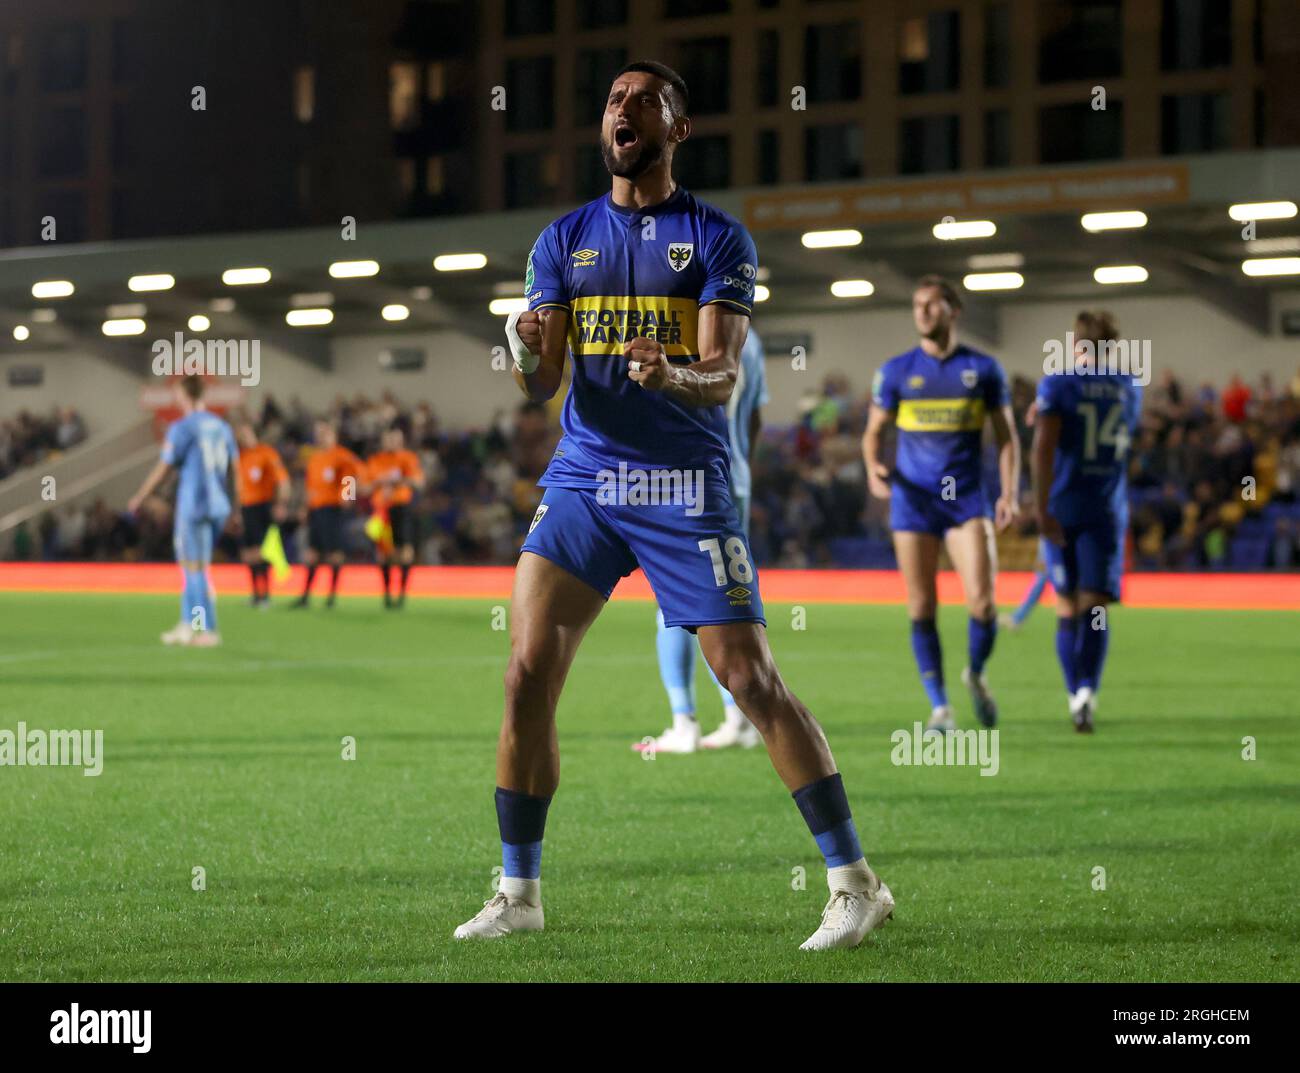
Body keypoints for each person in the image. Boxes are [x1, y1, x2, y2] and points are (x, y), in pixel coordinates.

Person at [453, 61, 893, 951]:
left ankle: (857, 883)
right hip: (584, 477)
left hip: (682, 484)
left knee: (750, 679)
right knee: (526, 670)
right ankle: (518, 889)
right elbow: (542, 385)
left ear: (675, 130)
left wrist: (675, 371)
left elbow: (724, 375)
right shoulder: (561, 239)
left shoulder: (717, 239)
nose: (622, 112)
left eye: (643, 102)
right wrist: (518, 345)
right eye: (613, 99)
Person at [862, 277, 1020, 734]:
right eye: (917, 305)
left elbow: (1008, 439)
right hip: (913, 504)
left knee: (984, 603)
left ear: (954, 311)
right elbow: (873, 433)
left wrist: (1009, 493)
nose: (923, 313)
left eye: (933, 305)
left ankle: (975, 672)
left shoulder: (984, 369)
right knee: (921, 604)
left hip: (967, 500)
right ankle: (940, 709)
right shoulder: (895, 372)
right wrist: (873, 466)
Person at [638, 325, 768, 752]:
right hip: (735, 476)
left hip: (690, 478)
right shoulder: (751, 341)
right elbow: (754, 415)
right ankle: (739, 717)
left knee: (671, 602)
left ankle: (684, 722)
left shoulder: (678, 331)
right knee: (729, 601)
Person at [1032, 310, 1142, 732]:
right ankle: (1087, 694)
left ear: (1075, 345)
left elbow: (1044, 447)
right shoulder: (1129, 387)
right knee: (1095, 608)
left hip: (1063, 506)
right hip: (1107, 509)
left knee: (1065, 605)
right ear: (1111, 346)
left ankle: (1073, 690)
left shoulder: (1058, 385)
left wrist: (1040, 508)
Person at [127, 375, 239, 647]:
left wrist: (142, 495)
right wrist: (235, 506)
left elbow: (164, 468)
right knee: (193, 567)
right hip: (218, 504)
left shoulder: (182, 427)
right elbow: (234, 469)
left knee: (195, 568)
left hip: (194, 504)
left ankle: (206, 628)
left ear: (183, 395)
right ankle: (188, 623)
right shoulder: (221, 426)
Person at [292, 420, 368, 609]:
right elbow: (310, 486)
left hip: (333, 509)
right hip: (316, 510)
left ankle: (331, 596)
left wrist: (347, 496)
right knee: (312, 553)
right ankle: (305, 596)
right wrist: (305, 507)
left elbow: (353, 474)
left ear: (333, 435)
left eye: (324, 432)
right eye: (318, 433)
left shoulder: (342, 456)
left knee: (334, 553)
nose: (320, 436)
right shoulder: (315, 458)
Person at [366, 425, 426, 608]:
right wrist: (379, 483)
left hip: (402, 508)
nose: (392, 442)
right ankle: (386, 594)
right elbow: (363, 487)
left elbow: (418, 483)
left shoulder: (408, 458)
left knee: (405, 550)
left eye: (396, 439)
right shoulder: (375, 460)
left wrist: (397, 481)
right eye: (389, 438)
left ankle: (401, 594)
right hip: (381, 511)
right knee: (383, 553)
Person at [235, 422, 290, 607]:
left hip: (262, 506)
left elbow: (282, 480)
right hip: (246, 508)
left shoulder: (266, 453)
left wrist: (281, 504)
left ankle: (266, 594)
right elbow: (238, 487)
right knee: (247, 553)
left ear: (252, 432)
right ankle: (255, 594)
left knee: (261, 551)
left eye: (245, 432)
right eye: (240, 434)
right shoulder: (239, 457)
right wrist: (236, 510)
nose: (242, 436)